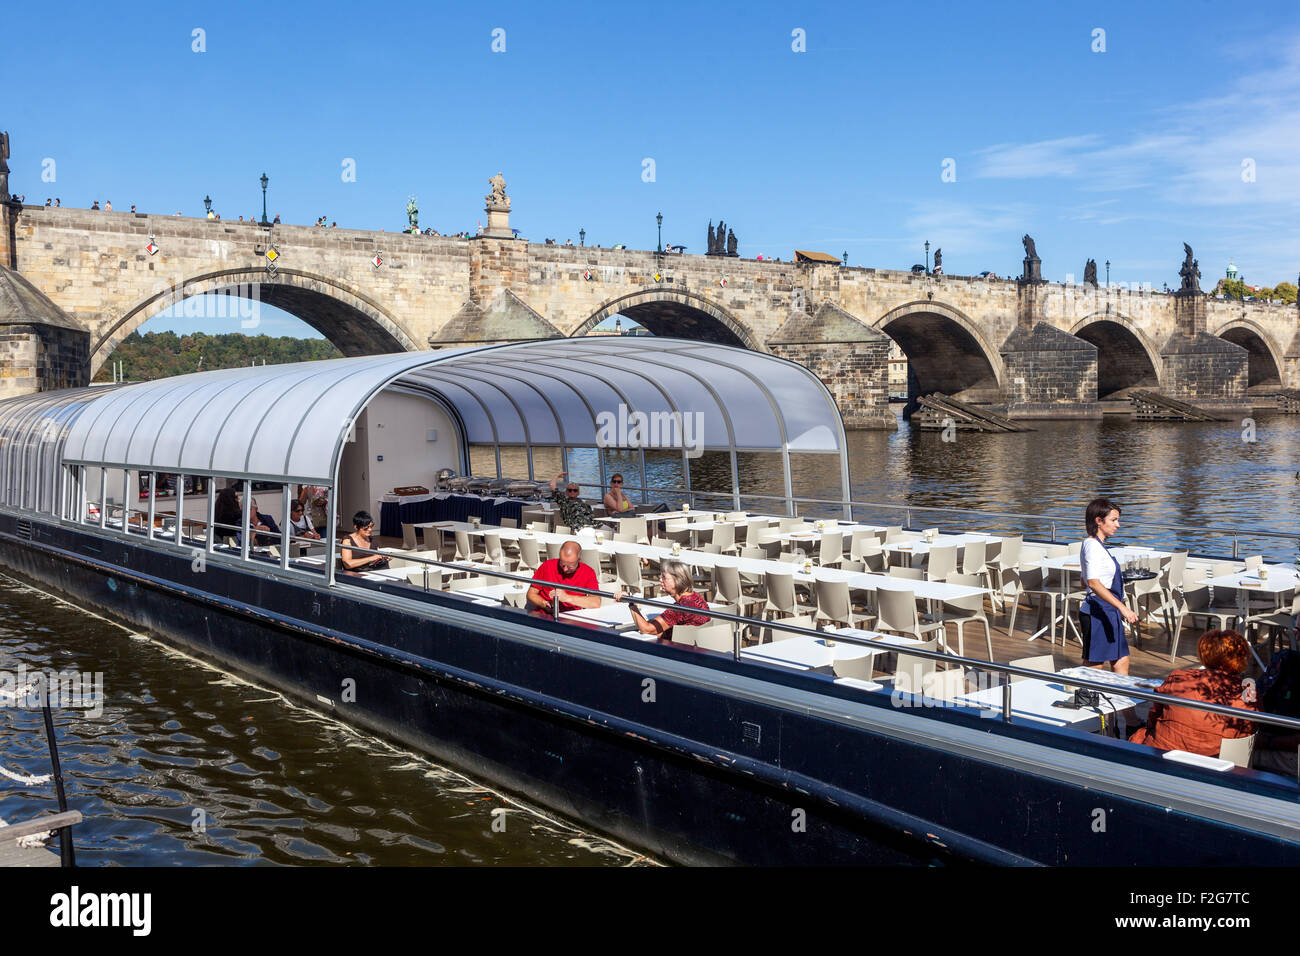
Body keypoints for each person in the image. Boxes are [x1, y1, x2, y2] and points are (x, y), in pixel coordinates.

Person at [1129, 630, 1257, 757]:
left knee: (1139, 737)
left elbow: (1154, 715)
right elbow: (1250, 729)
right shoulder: (1247, 688)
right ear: (1242, 657)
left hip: (1164, 754)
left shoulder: (1179, 676)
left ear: (1204, 654)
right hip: (1217, 761)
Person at [1078, 497, 1137, 675]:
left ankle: (1123, 701)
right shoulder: (1092, 546)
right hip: (1098, 613)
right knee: (1094, 667)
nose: (1117, 525)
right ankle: (1088, 698)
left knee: (1121, 660)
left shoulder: (1098, 546)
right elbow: (1093, 583)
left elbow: (1084, 581)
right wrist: (1123, 608)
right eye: (1113, 520)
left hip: (1108, 611)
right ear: (1098, 521)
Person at [617, 559, 709, 641]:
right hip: (697, 648)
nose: (660, 580)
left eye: (664, 577)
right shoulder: (696, 597)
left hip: (676, 652)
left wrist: (631, 602)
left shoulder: (680, 608)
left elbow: (646, 630)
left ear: (678, 580)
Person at [526, 540, 600, 614]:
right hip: (544, 614)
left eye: (570, 566)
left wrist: (567, 598)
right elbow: (531, 594)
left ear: (579, 559)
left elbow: (596, 602)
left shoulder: (588, 572)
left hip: (572, 617)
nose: (565, 569)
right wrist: (544, 604)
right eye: (562, 564)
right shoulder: (548, 566)